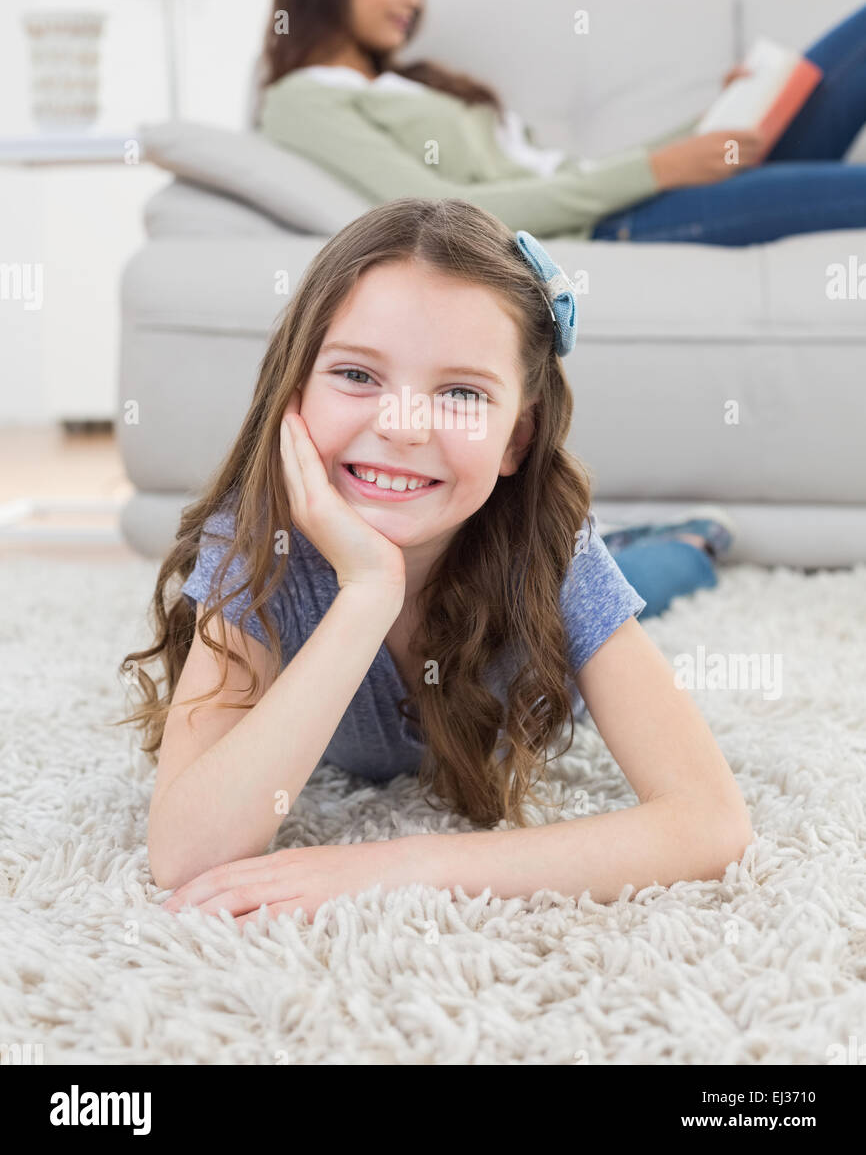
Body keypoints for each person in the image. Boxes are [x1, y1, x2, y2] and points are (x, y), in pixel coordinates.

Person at [118, 198, 751, 920]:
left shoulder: (554, 547)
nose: (402, 428)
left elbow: (711, 823)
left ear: (517, 439)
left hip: (532, 549)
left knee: (653, 578)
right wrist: (366, 592)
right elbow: (185, 855)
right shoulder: (259, 540)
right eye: (357, 375)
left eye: (460, 392)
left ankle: (690, 541)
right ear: (293, 391)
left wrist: (404, 864)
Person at [253, 0, 866, 248]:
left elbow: (578, 171)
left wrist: (704, 126)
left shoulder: (399, 83)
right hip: (617, 221)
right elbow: (453, 212)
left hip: (632, 191)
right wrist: (657, 170)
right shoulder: (302, 102)